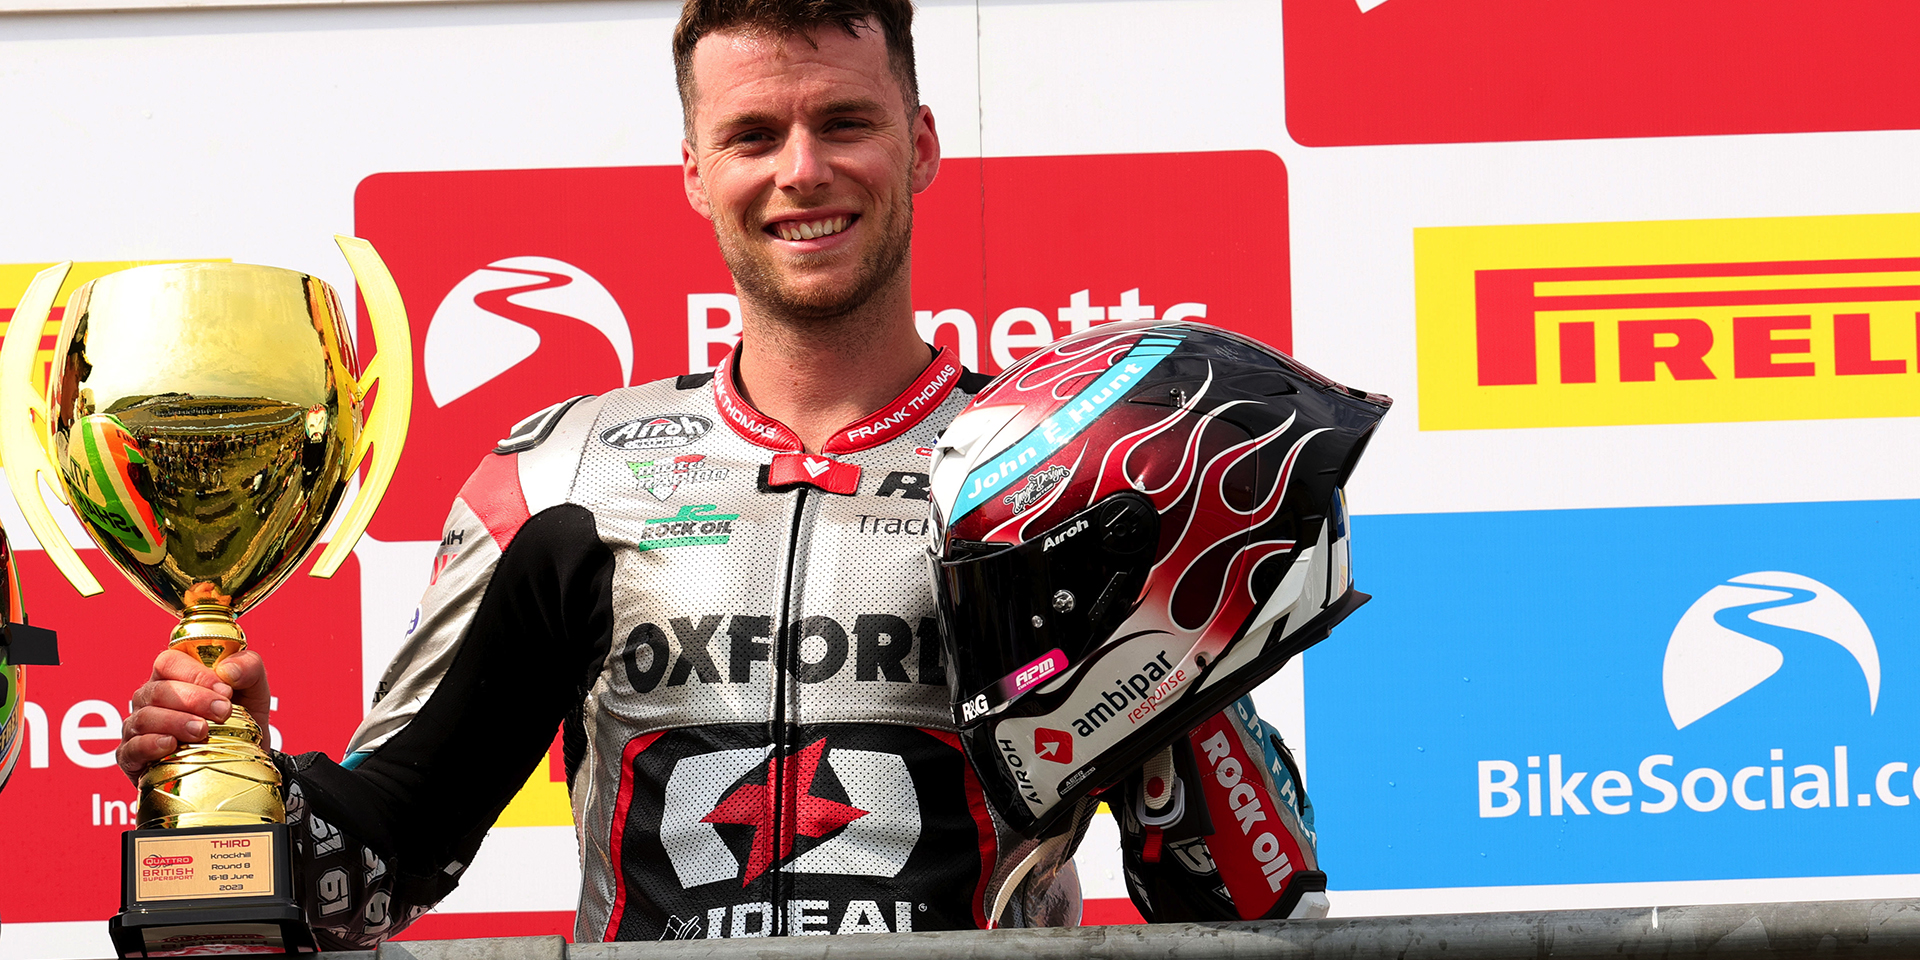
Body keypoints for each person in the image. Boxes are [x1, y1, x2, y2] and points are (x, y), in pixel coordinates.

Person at [115, 0, 1320, 946]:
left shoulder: (1063, 476)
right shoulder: (559, 481)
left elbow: (1260, 912)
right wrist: (238, 788)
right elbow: (373, 875)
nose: (802, 170)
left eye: (844, 122)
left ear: (922, 143)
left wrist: (1185, 661)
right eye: (754, 134)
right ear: (695, 169)